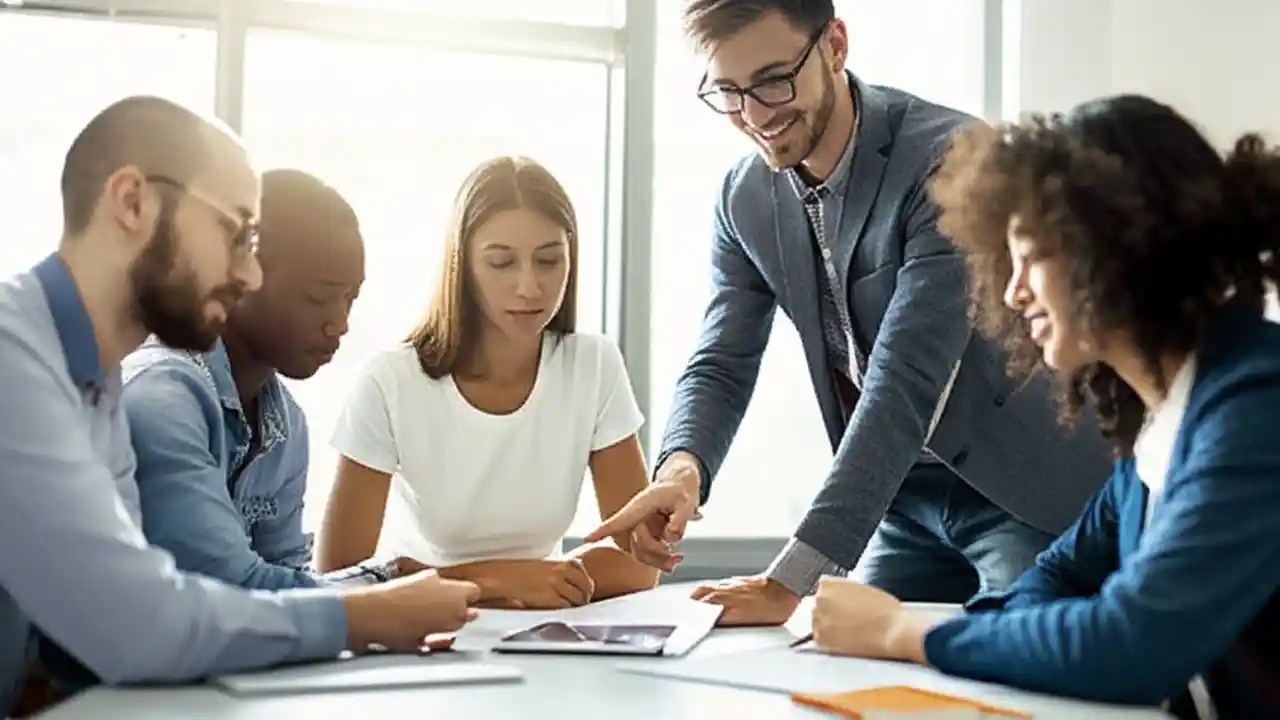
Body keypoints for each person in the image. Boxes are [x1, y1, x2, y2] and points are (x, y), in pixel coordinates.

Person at [585, 0, 1110, 625]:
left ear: (835, 45)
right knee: (849, 665)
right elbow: (722, 362)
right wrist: (681, 470)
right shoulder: (745, 197)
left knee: (1014, 664)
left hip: (1020, 489)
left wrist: (790, 581)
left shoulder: (952, 158)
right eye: (728, 91)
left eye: (774, 80)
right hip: (904, 501)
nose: (755, 116)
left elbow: (905, 381)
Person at [0, 95, 480, 717]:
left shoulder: (97, 385)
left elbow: (89, 636)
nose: (251, 275)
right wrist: (364, 614)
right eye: (235, 233)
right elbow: (139, 624)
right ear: (132, 201)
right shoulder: (15, 364)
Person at [809, 95, 1280, 719]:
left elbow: (1132, 645)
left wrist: (903, 633)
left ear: (1116, 247)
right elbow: (1053, 579)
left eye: (1033, 256)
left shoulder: (1254, 408)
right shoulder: (1167, 419)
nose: (1013, 291)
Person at [316, 156, 659, 609]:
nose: (529, 287)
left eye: (549, 260)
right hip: (420, 630)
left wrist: (537, 580)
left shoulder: (593, 365)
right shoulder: (390, 381)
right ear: (462, 266)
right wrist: (495, 581)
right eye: (501, 263)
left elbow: (639, 561)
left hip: (538, 629)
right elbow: (338, 576)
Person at [121, 168, 411, 589]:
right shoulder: (163, 398)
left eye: (350, 299)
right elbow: (233, 592)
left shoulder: (285, 425)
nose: (340, 323)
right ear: (241, 275)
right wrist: (387, 584)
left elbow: (288, 584)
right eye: (319, 298)